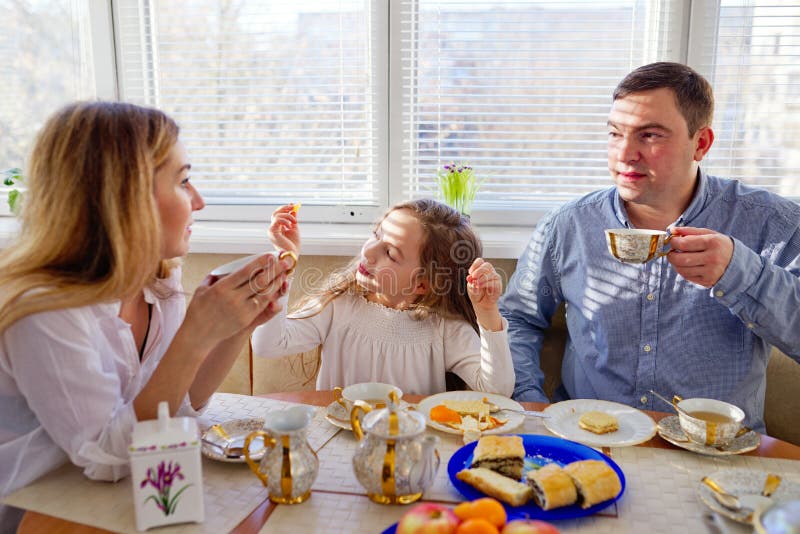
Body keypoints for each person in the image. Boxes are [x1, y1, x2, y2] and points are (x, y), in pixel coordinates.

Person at [0, 102, 292, 532]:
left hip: (112, 494)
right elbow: (108, 455)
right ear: (124, 196)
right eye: (184, 181)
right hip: (43, 513)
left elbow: (176, 404)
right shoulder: (47, 309)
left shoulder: (156, 281)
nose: (199, 201)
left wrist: (237, 327)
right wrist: (195, 333)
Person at [499, 62, 800, 433]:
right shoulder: (569, 225)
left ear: (701, 144)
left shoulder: (773, 224)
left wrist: (741, 273)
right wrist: (530, 403)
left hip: (718, 453)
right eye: (615, 133)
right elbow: (517, 318)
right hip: (588, 442)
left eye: (650, 135)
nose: (625, 153)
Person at [251, 199, 516, 396]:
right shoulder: (339, 304)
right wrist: (284, 263)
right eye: (376, 234)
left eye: (390, 253)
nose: (368, 252)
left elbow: (497, 392)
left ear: (423, 284)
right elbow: (267, 345)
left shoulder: (444, 329)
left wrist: (487, 312)